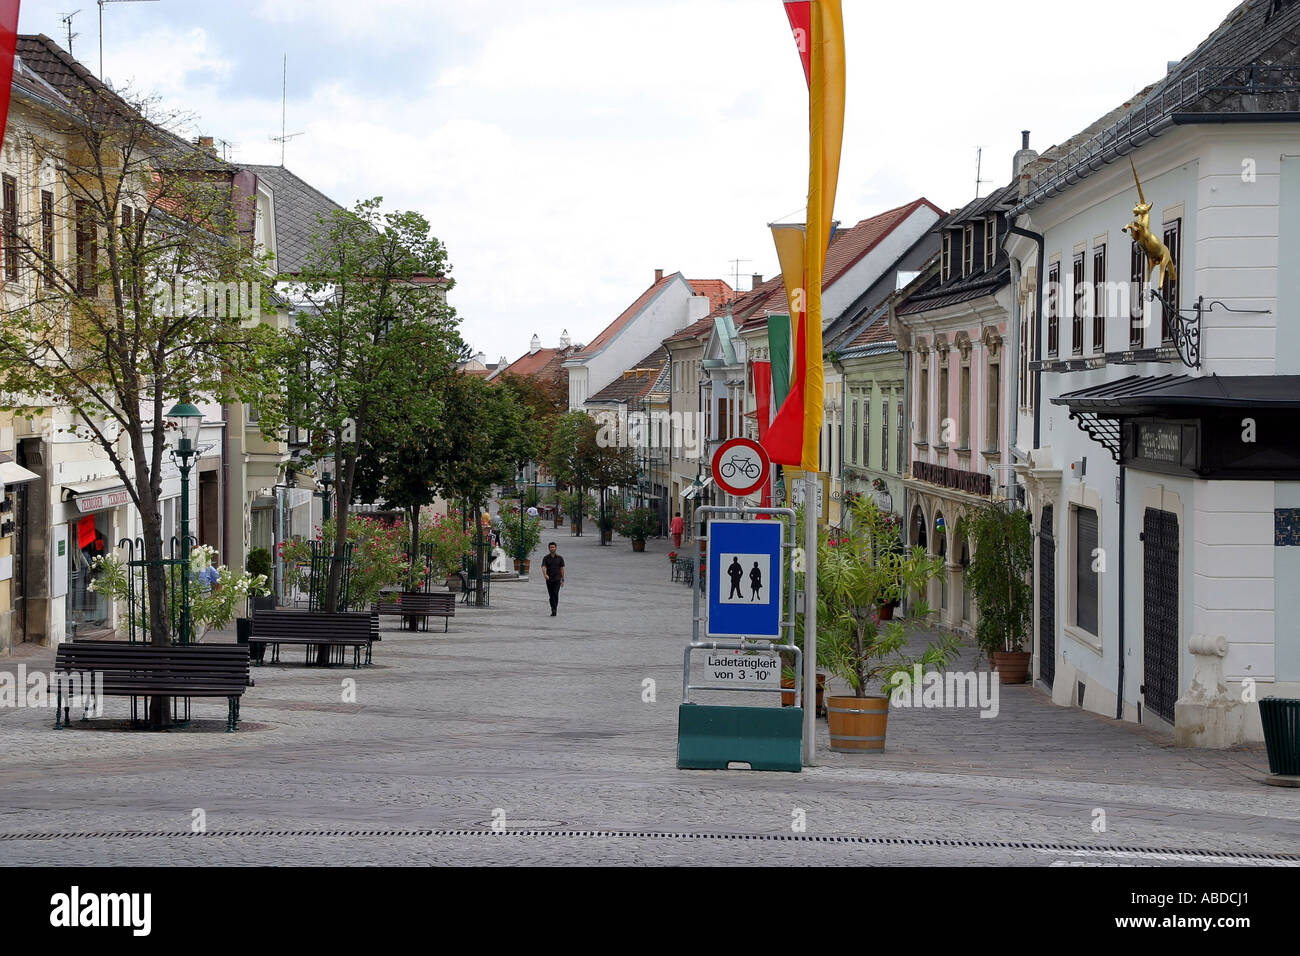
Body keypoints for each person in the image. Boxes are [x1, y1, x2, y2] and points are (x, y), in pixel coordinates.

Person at [541, 541, 565, 616]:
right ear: (549, 548)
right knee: (551, 595)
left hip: (557, 579)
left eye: (553, 547)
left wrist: (563, 579)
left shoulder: (560, 558)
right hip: (549, 579)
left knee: (556, 594)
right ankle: (553, 607)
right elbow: (543, 567)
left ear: (556, 548)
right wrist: (545, 575)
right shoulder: (546, 558)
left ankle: (554, 609)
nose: (552, 548)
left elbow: (562, 569)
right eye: (551, 547)